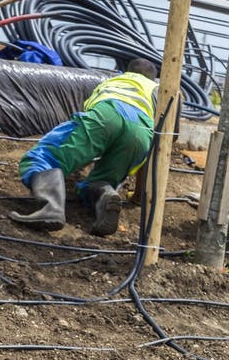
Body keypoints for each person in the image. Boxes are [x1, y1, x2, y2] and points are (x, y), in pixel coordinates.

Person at [11, 58, 158, 236]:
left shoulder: (113, 81)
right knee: (100, 181)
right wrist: (139, 195)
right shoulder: (159, 91)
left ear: (127, 71)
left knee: (43, 158)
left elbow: (87, 137)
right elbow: (162, 144)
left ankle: (51, 207)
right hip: (142, 133)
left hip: (107, 113)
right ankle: (105, 195)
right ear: (153, 79)